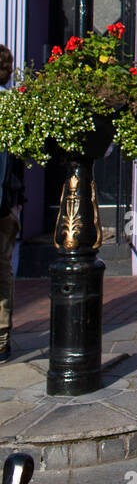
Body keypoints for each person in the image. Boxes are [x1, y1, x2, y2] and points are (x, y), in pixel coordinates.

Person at [0, 45, 25, 363]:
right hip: (7, 203)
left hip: (5, 201)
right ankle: (2, 339)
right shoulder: (13, 105)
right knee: (3, 269)